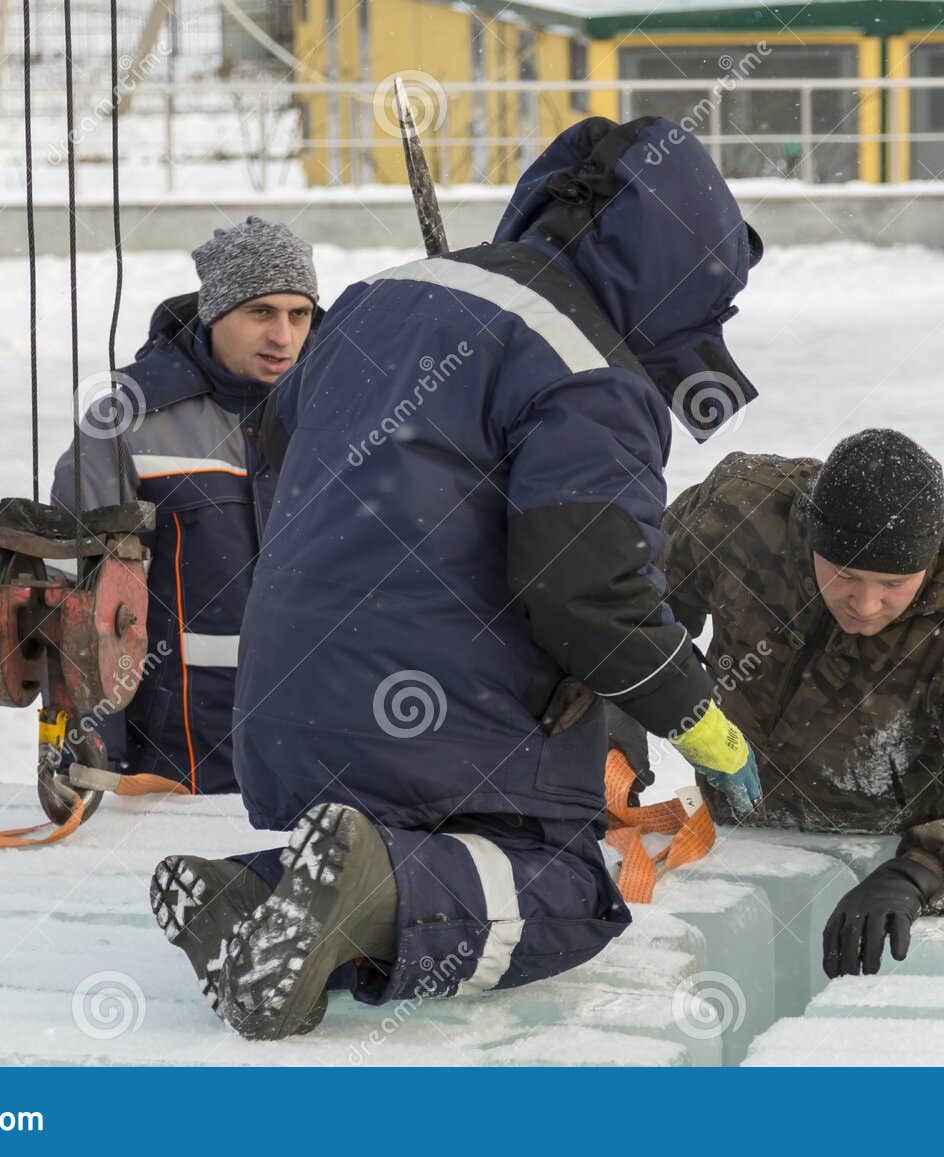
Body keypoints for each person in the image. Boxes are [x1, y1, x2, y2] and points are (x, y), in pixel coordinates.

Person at [149, 116, 767, 1038]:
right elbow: (588, 589)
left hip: (286, 696)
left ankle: (255, 888)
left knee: (418, 844)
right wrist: (700, 718)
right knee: (566, 886)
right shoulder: (590, 372)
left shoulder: (374, 297)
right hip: (434, 713)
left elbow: (279, 457)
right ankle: (371, 886)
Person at [640, 430, 944, 978]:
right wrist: (614, 713)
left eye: (893, 584)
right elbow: (621, 606)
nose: (867, 605)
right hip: (731, 838)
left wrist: (921, 875)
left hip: (882, 844)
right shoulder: (742, 512)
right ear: (811, 541)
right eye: (844, 575)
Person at [51, 217, 319, 795]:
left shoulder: (341, 415)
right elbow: (80, 597)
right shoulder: (128, 423)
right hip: (173, 759)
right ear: (215, 312)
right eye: (261, 313)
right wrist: (89, 755)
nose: (283, 336)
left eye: (299, 315)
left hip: (317, 748)